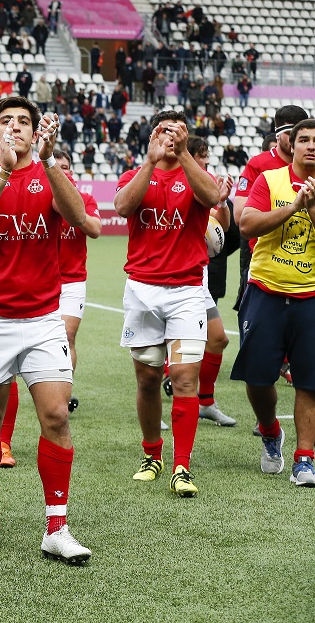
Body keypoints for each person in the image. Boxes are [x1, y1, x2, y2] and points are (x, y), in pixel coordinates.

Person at [0, 96, 91, 565]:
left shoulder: (50, 173)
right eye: (6, 121)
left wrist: (49, 164)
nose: (16, 127)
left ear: (36, 131)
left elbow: (79, 220)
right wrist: (4, 172)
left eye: (24, 121)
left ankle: (57, 526)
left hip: (43, 319)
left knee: (56, 417)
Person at [113, 111, 221, 498]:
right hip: (142, 290)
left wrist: (186, 154)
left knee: (185, 379)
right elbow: (123, 207)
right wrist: (149, 160)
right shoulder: (135, 173)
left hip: (187, 292)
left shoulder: (194, 174)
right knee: (146, 378)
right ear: (150, 134)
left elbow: (212, 197)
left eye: (176, 132)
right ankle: (151, 454)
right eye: (162, 131)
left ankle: (181, 465)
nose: (169, 138)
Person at [233, 118, 315, 487]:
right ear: (291, 145)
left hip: (310, 296)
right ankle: (270, 432)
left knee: (309, 382)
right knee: (257, 376)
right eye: (304, 140)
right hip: (266, 290)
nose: (311, 146)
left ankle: (305, 459)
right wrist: (295, 206)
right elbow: (247, 225)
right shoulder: (270, 180)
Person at [167, 137, 235, 427]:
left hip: (198, 280)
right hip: (170, 279)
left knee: (218, 338)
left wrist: (221, 201)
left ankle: (205, 402)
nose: (207, 161)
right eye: (202, 156)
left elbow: (222, 229)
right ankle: (156, 407)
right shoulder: (176, 182)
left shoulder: (206, 183)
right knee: (161, 355)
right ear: (188, 156)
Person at [232, 106, 309, 310]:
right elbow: (240, 217)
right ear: (277, 134)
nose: (293, 140)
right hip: (263, 261)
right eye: (288, 134)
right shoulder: (260, 164)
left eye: (298, 135)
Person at [55, 149, 101, 411]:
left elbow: (95, 230)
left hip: (72, 281)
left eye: (66, 167)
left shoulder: (85, 199)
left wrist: (74, 208)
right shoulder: (42, 197)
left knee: (66, 336)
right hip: (42, 280)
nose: (63, 171)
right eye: (57, 167)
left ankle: (64, 392)